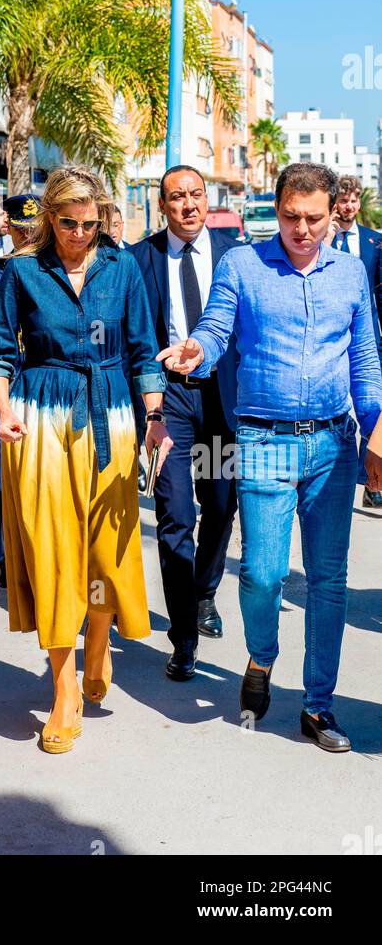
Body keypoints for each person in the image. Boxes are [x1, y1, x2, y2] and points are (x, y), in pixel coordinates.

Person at [160, 162, 382, 753]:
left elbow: (365, 357)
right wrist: (195, 351)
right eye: (290, 217)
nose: (301, 230)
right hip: (262, 441)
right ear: (276, 210)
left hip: (334, 444)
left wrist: (376, 431)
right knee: (262, 573)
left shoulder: (351, 273)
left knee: (328, 580)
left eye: (313, 218)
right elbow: (216, 327)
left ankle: (318, 705)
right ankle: (261, 657)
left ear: (333, 212)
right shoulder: (243, 265)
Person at [0, 166, 170, 754]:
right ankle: (64, 691)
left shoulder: (123, 268)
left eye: (90, 224)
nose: (81, 234)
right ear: (48, 218)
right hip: (41, 414)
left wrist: (155, 420)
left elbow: (143, 351)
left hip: (111, 412)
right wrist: (2, 409)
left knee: (104, 550)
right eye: (69, 223)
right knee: (52, 546)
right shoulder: (20, 272)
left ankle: (97, 632)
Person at [129, 165, 239, 680]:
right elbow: (135, 338)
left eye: (196, 195)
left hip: (224, 398)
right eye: (177, 197)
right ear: (163, 206)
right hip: (170, 400)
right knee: (175, 517)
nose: (188, 205)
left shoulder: (236, 253)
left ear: (207, 200)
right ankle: (183, 638)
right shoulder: (141, 259)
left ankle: (205, 593)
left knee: (220, 505)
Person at [0, 192, 41, 588]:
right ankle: (5, 553)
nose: (28, 236)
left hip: (46, 391)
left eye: (35, 229)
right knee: (0, 479)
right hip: (3, 390)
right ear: (9, 229)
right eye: (22, 229)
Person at [328, 174, 382, 512]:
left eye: (353, 200)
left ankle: (370, 480)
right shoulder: (322, 239)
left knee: (371, 406)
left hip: (368, 340)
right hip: (330, 339)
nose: (349, 206)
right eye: (343, 200)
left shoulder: (375, 242)